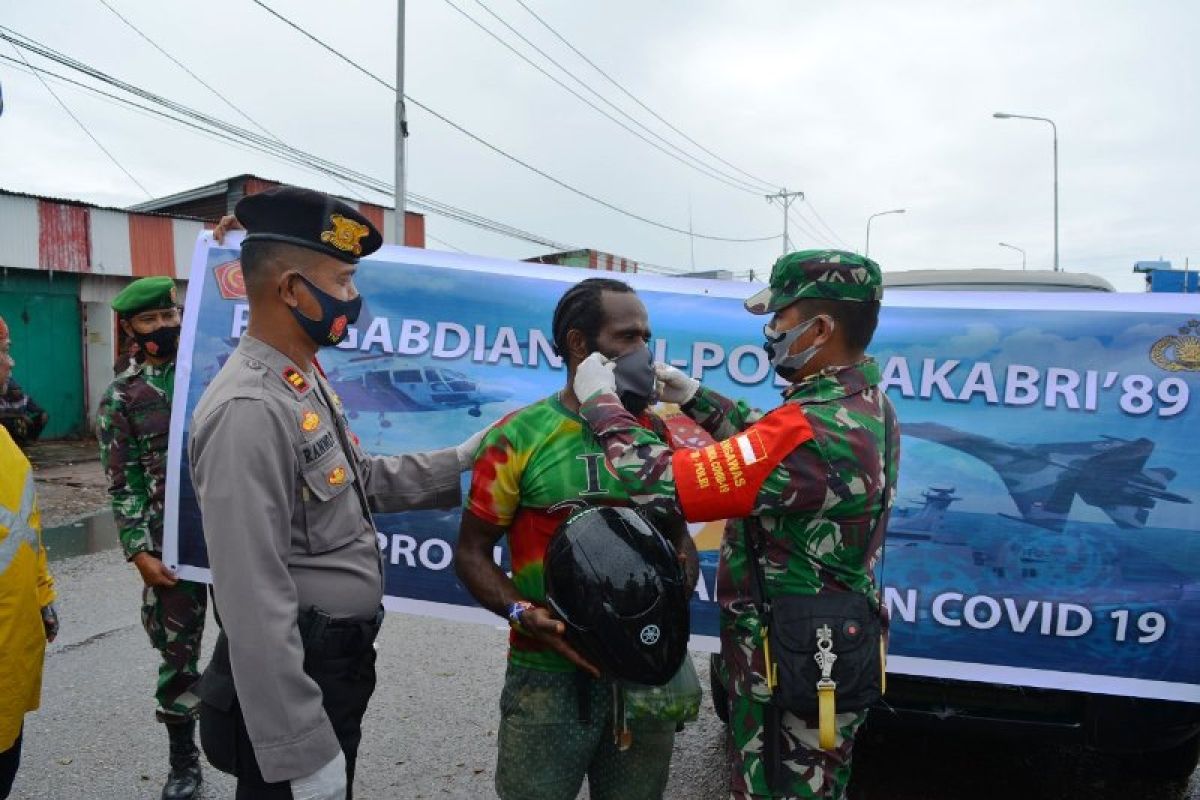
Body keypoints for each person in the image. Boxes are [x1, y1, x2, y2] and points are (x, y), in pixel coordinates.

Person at [189, 186, 488, 800]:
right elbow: (252, 598)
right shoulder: (251, 407)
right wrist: (298, 747)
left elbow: (359, 481)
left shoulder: (298, 380)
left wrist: (463, 461)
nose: (354, 300)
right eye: (345, 282)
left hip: (332, 664)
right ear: (293, 290)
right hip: (297, 680)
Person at [572, 250, 899, 800]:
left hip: (794, 659)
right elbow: (763, 448)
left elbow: (664, 481)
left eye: (779, 319)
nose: (770, 331)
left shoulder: (815, 429)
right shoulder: (860, 404)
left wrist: (602, 405)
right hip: (821, 639)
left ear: (820, 328)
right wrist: (696, 398)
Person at [455, 277, 699, 800]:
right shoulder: (520, 435)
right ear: (578, 344)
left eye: (646, 337)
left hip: (643, 679)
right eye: (627, 337)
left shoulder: (651, 433)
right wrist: (522, 613)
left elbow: (681, 537)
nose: (643, 352)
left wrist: (674, 598)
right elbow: (472, 552)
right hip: (546, 679)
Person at [96, 276, 207, 800]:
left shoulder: (210, 373)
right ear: (131, 330)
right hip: (171, 549)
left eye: (170, 316)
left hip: (232, 538)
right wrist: (139, 550)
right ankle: (184, 762)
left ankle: (260, 747)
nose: (165, 327)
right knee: (179, 657)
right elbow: (123, 482)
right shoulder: (124, 395)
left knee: (259, 645)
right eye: (151, 321)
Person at [0, 425, 59, 800]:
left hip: (13, 637)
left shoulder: (4, 440)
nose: (10, 363)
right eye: (3, 361)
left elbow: (26, 527)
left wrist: (42, 595)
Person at [0, 317, 49, 449]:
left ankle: (28, 440)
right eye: (4, 351)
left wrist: (42, 415)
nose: (11, 363)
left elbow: (39, 410)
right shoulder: (4, 399)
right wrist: (20, 415)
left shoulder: (23, 398)